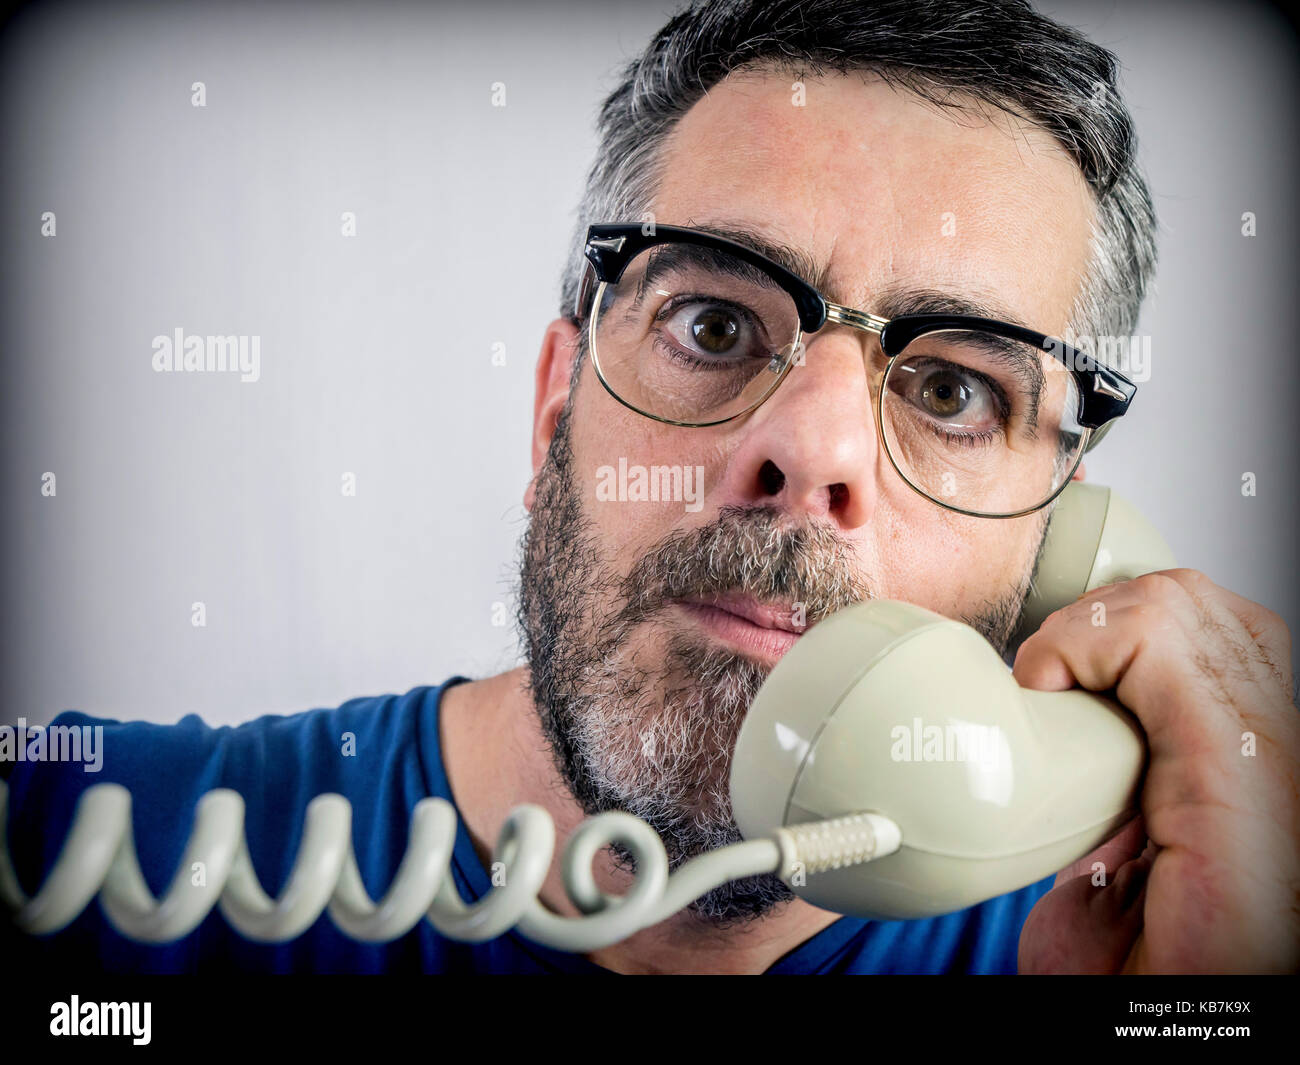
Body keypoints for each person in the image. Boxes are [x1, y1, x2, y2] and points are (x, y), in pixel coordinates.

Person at [3, 0, 1297, 974]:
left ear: (1064, 539)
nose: (812, 451)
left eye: (955, 389)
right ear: (554, 399)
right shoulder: (67, 837)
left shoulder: (1142, 956)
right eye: (717, 327)